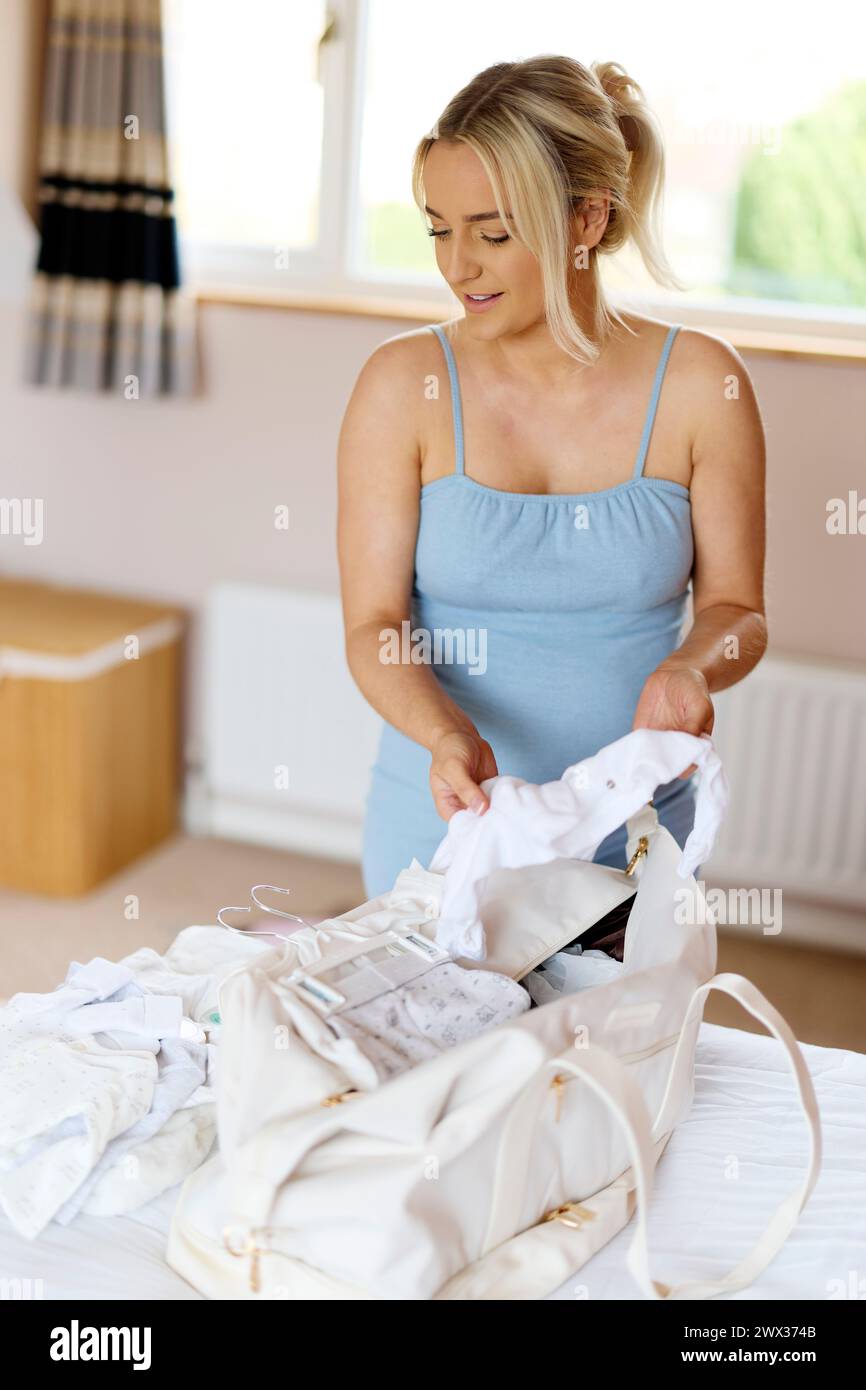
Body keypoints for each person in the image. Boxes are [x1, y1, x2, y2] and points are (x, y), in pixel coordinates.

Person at [338, 56, 766, 899]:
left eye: (492, 233)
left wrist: (691, 669)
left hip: (633, 834)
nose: (457, 266)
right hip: (450, 821)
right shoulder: (402, 387)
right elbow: (375, 624)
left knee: (618, 1034)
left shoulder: (700, 386)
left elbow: (737, 611)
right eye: (438, 228)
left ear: (587, 220)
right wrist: (444, 731)